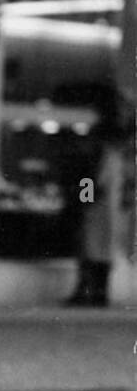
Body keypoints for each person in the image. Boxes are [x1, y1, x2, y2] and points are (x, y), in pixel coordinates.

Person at [63, 87, 134, 309]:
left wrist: (85, 198)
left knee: (92, 246)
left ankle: (92, 291)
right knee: (97, 246)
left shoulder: (109, 143)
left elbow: (91, 174)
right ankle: (96, 291)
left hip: (102, 198)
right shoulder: (117, 143)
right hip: (105, 198)